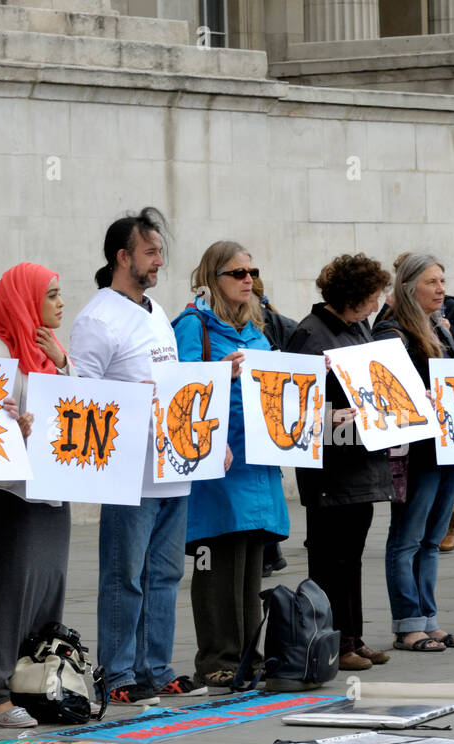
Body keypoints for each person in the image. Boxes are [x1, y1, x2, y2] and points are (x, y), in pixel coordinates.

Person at [70, 208, 208, 705]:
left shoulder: (155, 312)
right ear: (122, 256)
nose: (159, 261)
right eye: (150, 251)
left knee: (166, 574)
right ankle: (118, 672)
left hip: (173, 465)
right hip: (129, 472)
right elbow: (80, 397)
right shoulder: (98, 317)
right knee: (123, 576)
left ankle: (156, 666)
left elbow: (175, 383)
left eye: (160, 251)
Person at [173, 242, 288, 692]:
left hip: (257, 465)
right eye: (237, 272)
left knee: (249, 567)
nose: (248, 279)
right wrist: (221, 372)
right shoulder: (193, 326)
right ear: (212, 277)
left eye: (252, 271)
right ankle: (217, 659)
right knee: (216, 564)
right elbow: (180, 388)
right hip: (216, 464)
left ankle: (248, 657)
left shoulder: (256, 327)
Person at [0, 263, 76, 728]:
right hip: (12, 493)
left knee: (48, 593)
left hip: (53, 491)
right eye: (51, 294)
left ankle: (34, 682)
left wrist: (62, 364)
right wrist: (13, 427)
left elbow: (77, 416)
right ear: (25, 299)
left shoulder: (52, 353)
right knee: (12, 592)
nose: (59, 303)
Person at [285, 254, 393, 671]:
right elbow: (295, 401)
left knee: (352, 555)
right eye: (372, 295)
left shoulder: (357, 328)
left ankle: (354, 636)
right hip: (330, 466)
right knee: (331, 558)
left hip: (361, 459)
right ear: (354, 297)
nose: (376, 302)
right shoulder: (311, 334)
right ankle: (334, 642)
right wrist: (332, 415)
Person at [372, 253, 454, 651]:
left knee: (431, 540)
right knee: (407, 538)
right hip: (417, 451)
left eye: (442, 280)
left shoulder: (438, 328)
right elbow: (387, 389)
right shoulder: (391, 332)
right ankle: (408, 623)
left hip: (449, 445)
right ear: (409, 288)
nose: (441, 289)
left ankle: (428, 618)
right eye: (432, 282)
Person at [253, 272, 295, 577]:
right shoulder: (266, 324)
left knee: (265, 486)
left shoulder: (266, 325)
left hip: (266, 419)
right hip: (265, 421)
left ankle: (268, 554)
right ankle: (270, 554)